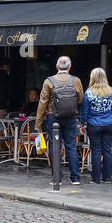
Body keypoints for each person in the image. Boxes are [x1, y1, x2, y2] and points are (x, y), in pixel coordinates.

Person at [35, 56, 85, 185]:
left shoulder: (49, 81)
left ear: (57, 67)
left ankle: (57, 178)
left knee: (54, 147)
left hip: (53, 116)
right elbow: (80, 99)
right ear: (69, 67)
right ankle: (75, 178)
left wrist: (38, 123)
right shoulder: (76, 80)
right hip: (70, 117)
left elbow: (43, 102)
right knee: (71, 146)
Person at [80, 67, 112, 185]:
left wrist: (82, 123)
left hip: (94, 124)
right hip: (109, 123)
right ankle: (107, 178)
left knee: (96, 151)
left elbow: (84, 111)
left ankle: (96, 178)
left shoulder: (89, 92)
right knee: (108, 151)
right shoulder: (111, 91)